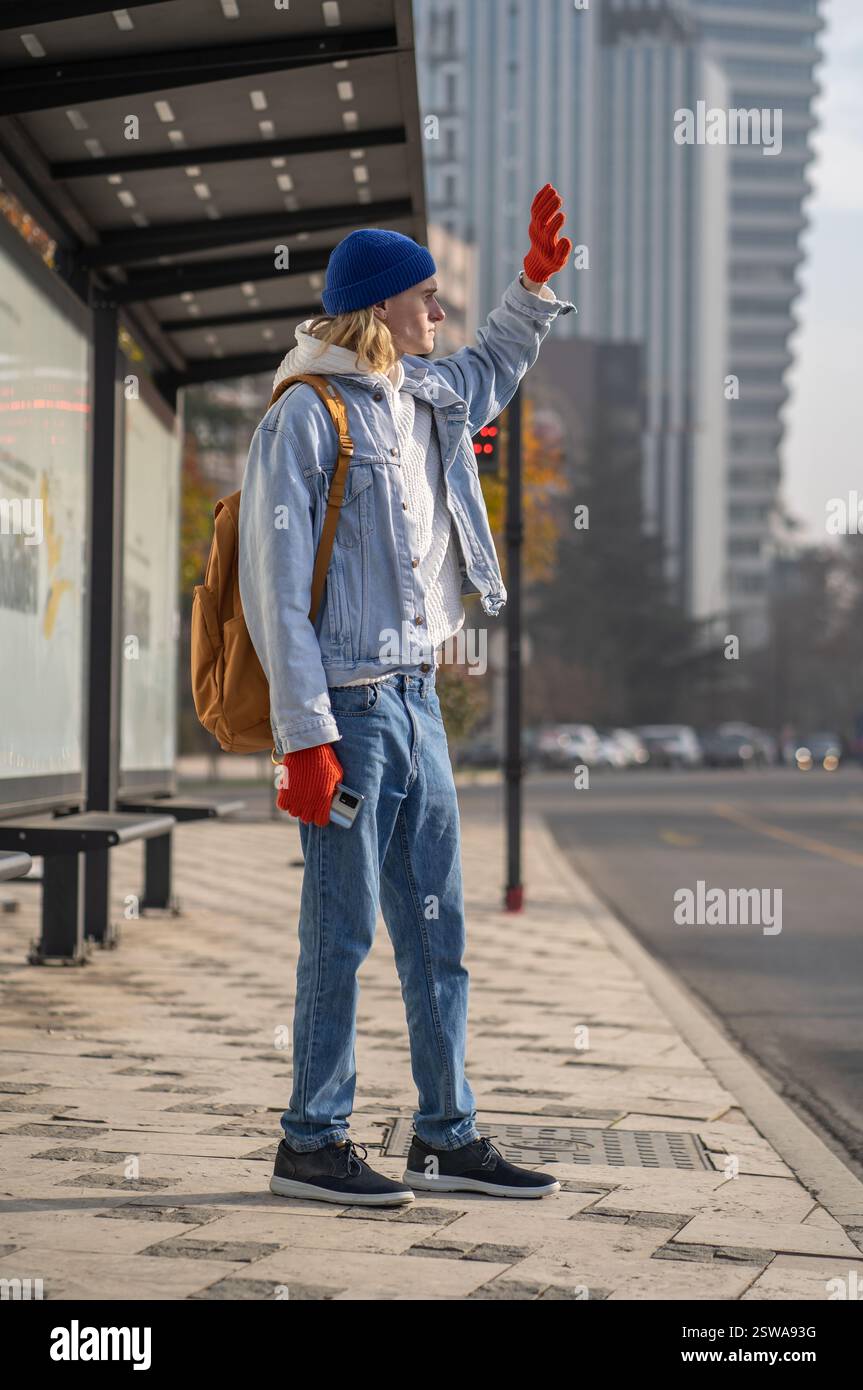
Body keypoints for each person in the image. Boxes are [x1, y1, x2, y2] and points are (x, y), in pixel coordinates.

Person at [238, 184, 576, 1206]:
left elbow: (491, 367)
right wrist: (304, 738)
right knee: (339, 931)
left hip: (418, 702)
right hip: (345, 707)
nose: (439, 314)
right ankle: (310, 1138)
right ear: (378, 305)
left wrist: (531, 287)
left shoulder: (424, 397)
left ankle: (445, 1133)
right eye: (426, 297)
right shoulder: (304, 416)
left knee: (437, 928)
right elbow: (271, 590)